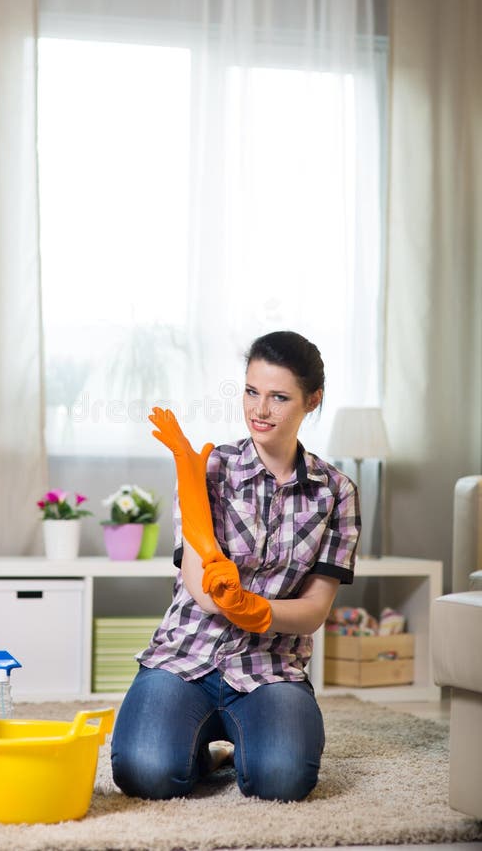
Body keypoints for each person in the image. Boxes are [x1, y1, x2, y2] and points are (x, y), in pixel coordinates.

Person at [111, 330, 361, 802]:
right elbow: (195, 578)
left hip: (271, 666)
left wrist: (261, 611)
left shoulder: (336, 492)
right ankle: (205, 754)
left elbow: (314, 609)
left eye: (278, 397)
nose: (259, 410)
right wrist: (223, 598)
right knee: (144, 772)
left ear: (312, 401)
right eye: (251, 392)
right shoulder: (209, 467)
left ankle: (243, 748)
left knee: (283, 781)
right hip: (185, 657)